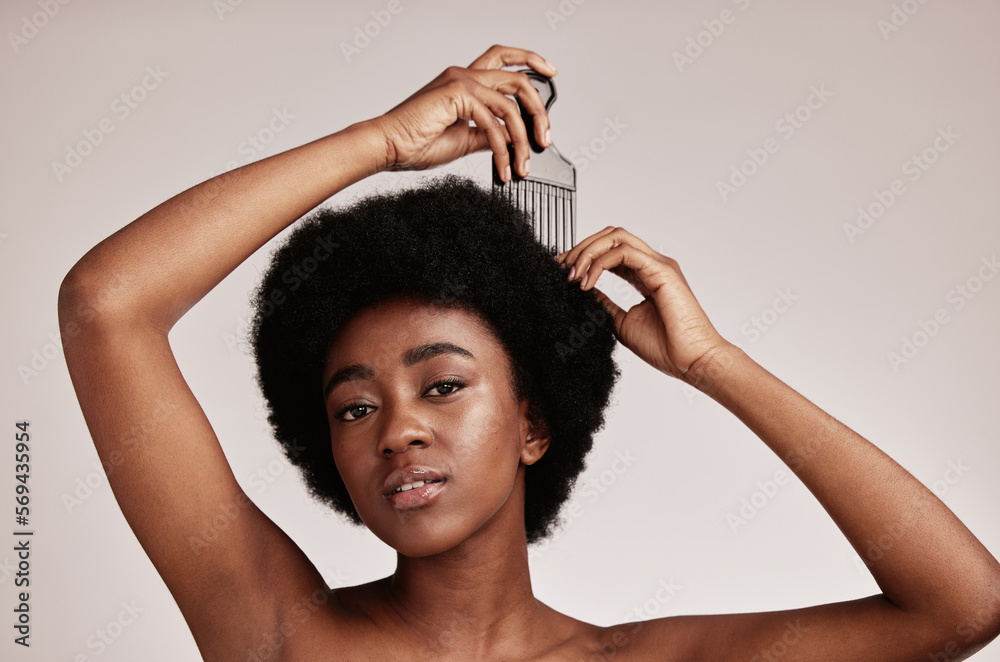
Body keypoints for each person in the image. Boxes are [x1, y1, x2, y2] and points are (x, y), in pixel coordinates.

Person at [59, 45, 1000, 661]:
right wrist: (380, 142)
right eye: (355, 406)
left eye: (444, 384)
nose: (397, 432)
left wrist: (713, 362)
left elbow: (960, 606)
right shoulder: (280, 635)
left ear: (534, 423)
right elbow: (107, 308)